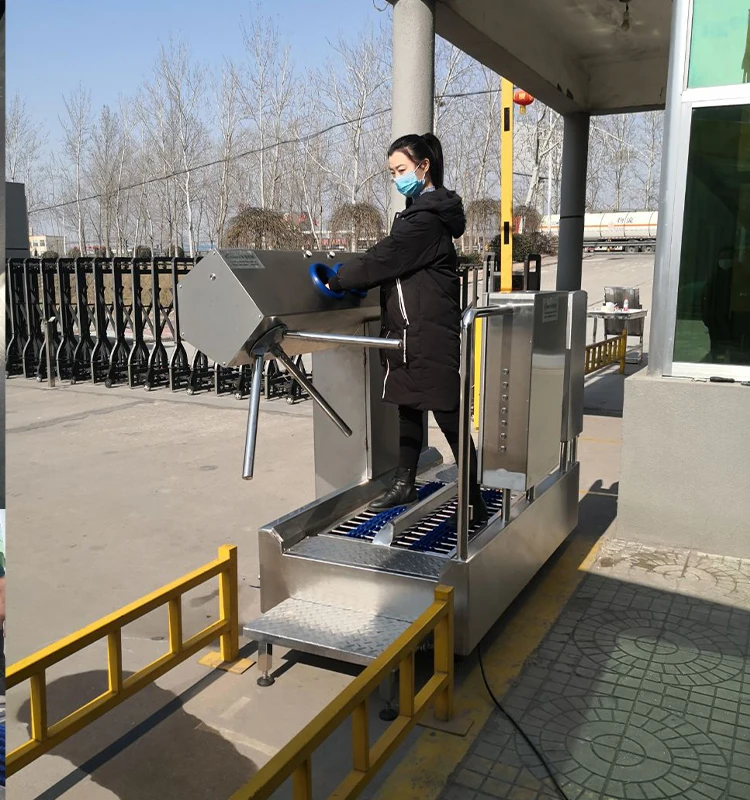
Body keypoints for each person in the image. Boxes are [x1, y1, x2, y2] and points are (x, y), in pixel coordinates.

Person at [328, 133, 487, 524]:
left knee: (448, 415)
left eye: (400, 169)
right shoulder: (422, 215)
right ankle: (405, 483)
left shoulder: (426, 221)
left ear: (423, 166)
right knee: (409, 406)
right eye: (392, 172)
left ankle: (474, 501)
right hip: (408, 331)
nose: (397, 177)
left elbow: (385, 258)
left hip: (428, 333)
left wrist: (339, 279)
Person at [702, 246, 735, 360]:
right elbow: (706, 299)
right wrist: (707, 317)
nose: (725, 260)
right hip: (715, 319)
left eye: (728, 257)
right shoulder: (714, 278)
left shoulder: (738, 278)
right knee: (716, 345)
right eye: (722, 257)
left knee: (730, 345)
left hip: (732, 321)